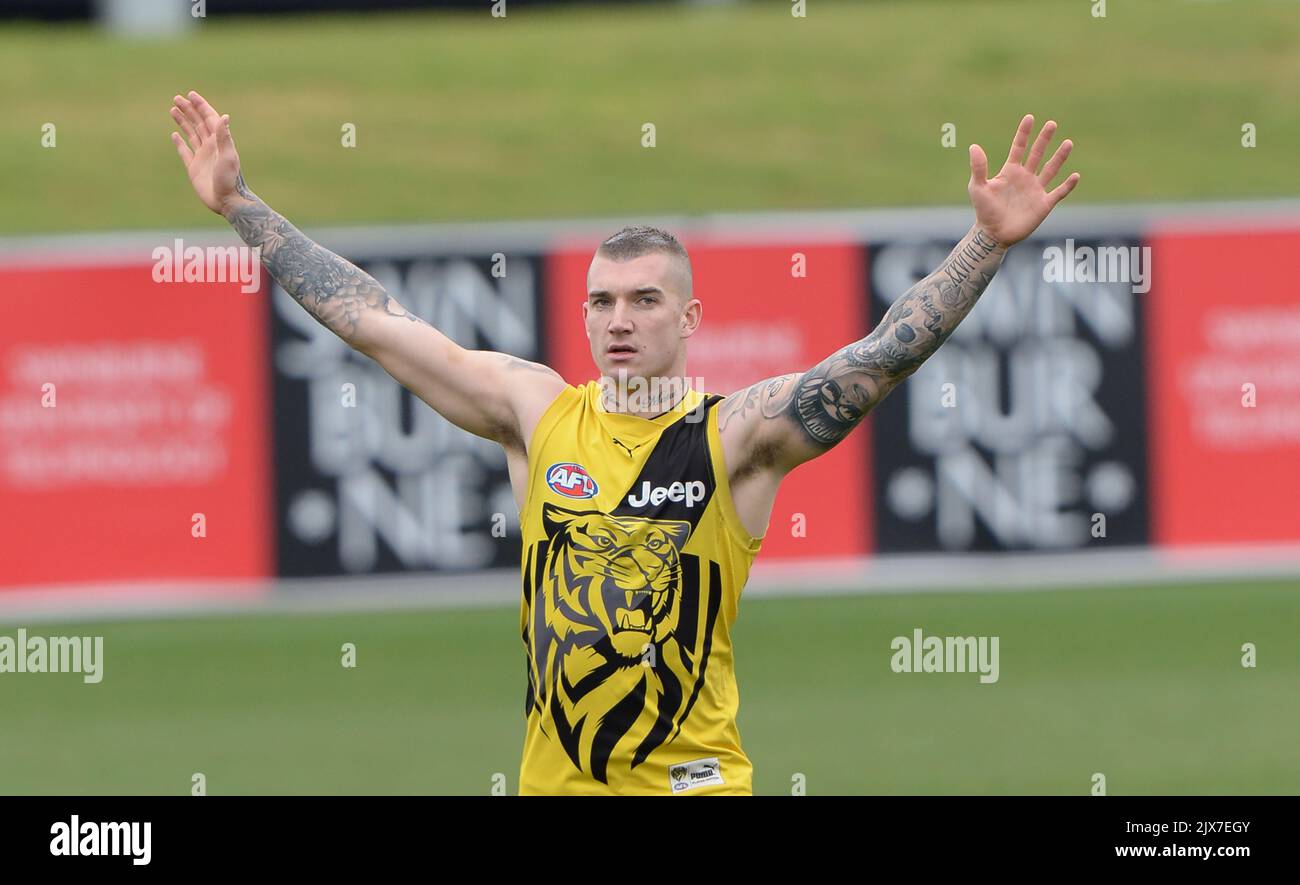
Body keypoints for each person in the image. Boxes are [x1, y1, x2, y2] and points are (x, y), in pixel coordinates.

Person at [169, 90, 1078, 795]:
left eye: (645, 300)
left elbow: (877, 359)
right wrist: (241, 204)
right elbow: (377, 323)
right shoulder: (536, 411)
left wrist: (983, 246)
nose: (619, 319)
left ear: (689, 318)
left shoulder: (732, 436)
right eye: (602, 300)